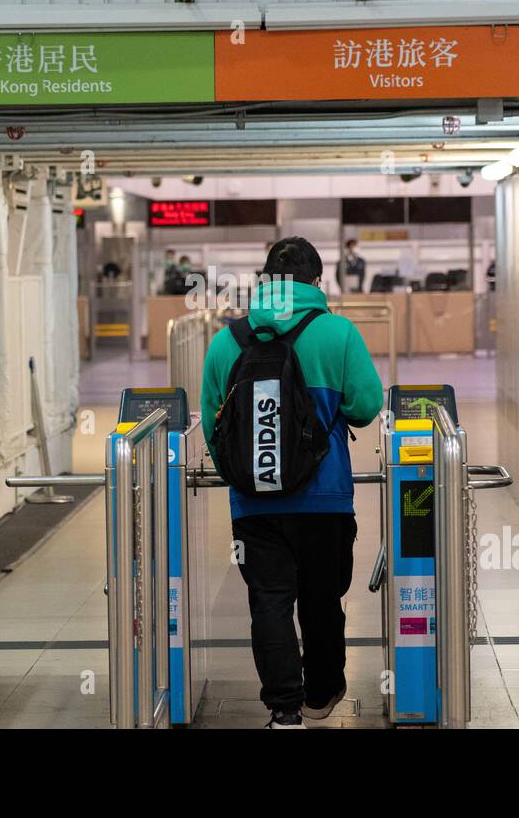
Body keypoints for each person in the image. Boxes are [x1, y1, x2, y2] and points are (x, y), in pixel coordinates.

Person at [200, 237, 384, 728]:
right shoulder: (338, 333)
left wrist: (242, 478)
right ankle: (321, 694)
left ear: (265, 282)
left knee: (269, 601)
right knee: (323, 600)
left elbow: (212, 427)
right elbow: (367, 407)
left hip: (255, 506)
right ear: (317, 282)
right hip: (325, 502)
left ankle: (284, 709)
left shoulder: (227, 341)